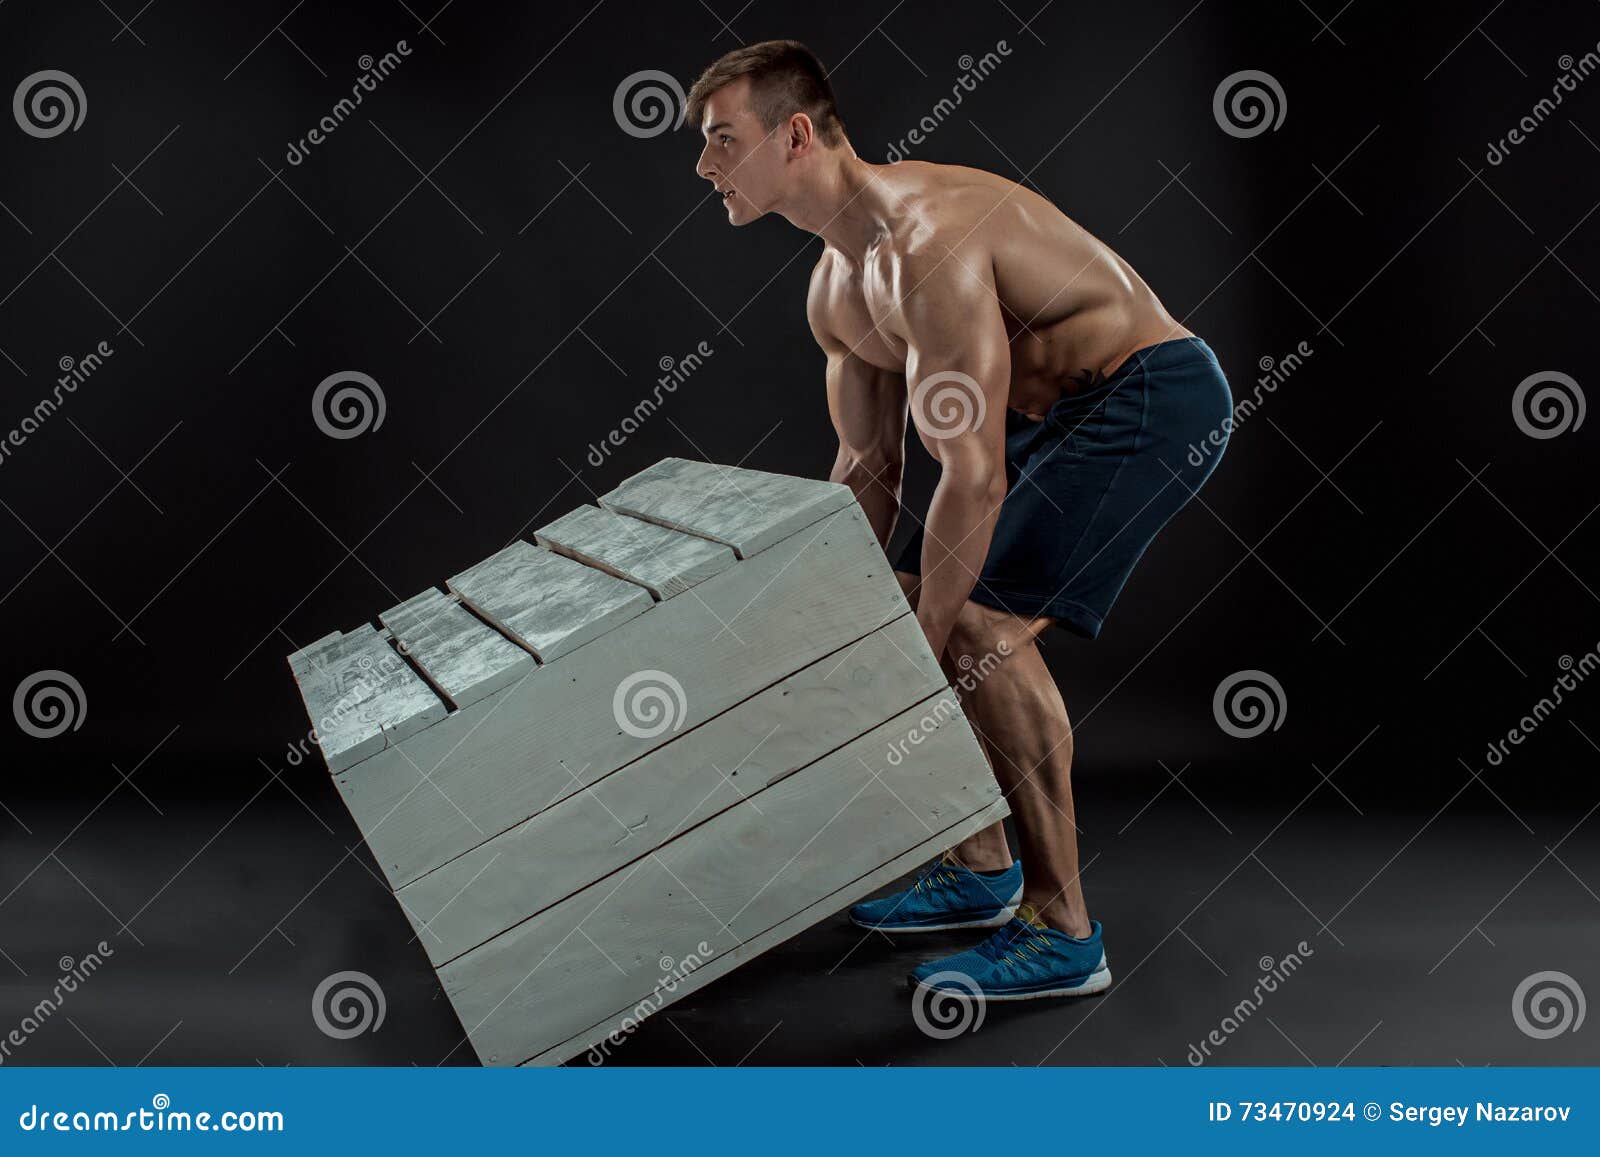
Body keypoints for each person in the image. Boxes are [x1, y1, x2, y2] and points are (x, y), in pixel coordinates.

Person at [687, 40, 1232, 1003]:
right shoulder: (835, 287)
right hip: (1044, 423)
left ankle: (1065, 930)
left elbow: (970, 478)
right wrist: (838, 615)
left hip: (1148, 395)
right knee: (898, 602)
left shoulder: (923, 245)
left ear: (795, 134)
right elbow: (870, 468)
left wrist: (922, 649)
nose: (704, 167)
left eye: (723, 141)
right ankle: (981, 867)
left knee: (973, 627)